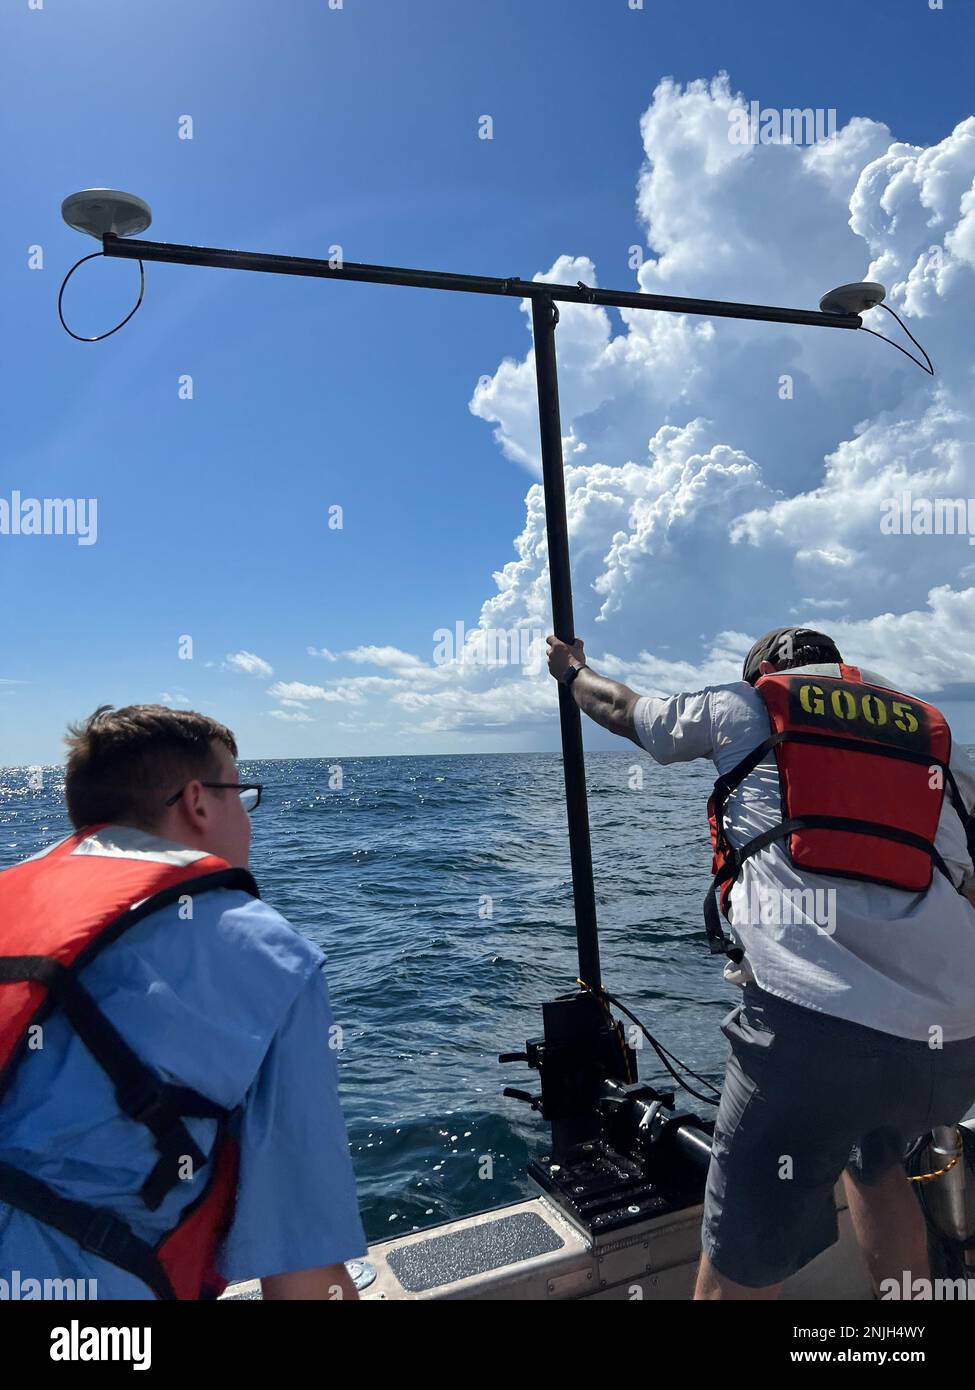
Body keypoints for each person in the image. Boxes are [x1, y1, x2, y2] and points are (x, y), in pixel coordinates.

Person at [546, 626, 975, 1301]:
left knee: (736, 1264)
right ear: (842, 671)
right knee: (876, 1161)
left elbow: (621, 711)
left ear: (764, 675)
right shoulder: (932, 739)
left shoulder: (743, 706)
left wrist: (572, 673)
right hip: (950, 1046)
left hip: (814, 1035)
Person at [0, 705, 366, 1300]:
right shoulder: (266, 953)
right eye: (240, 795)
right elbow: (305, 1283)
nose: (248, 823)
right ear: (198, 801)